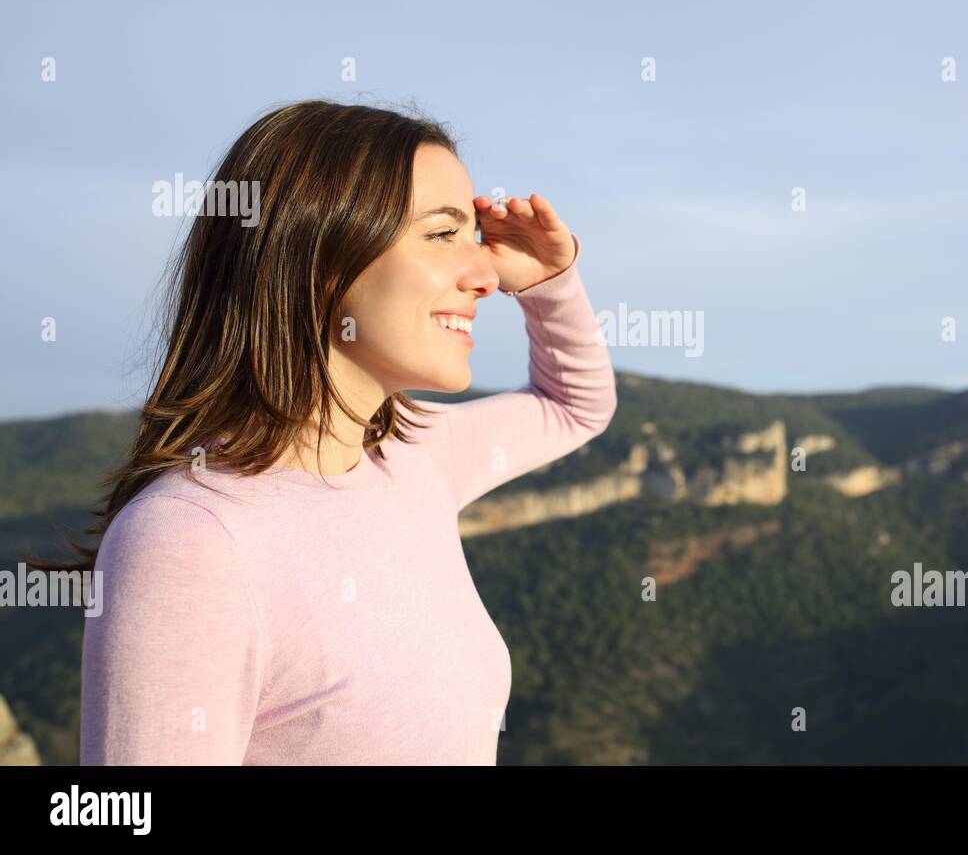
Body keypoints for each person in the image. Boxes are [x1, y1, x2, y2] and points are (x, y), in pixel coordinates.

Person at [42, 100, 617, 764]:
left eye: (475, 238)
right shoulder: (193, 541)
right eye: (440, 234)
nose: (487, 275)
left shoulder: (410, 454)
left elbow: (575, 405)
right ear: (320, 259)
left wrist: (551, 284)